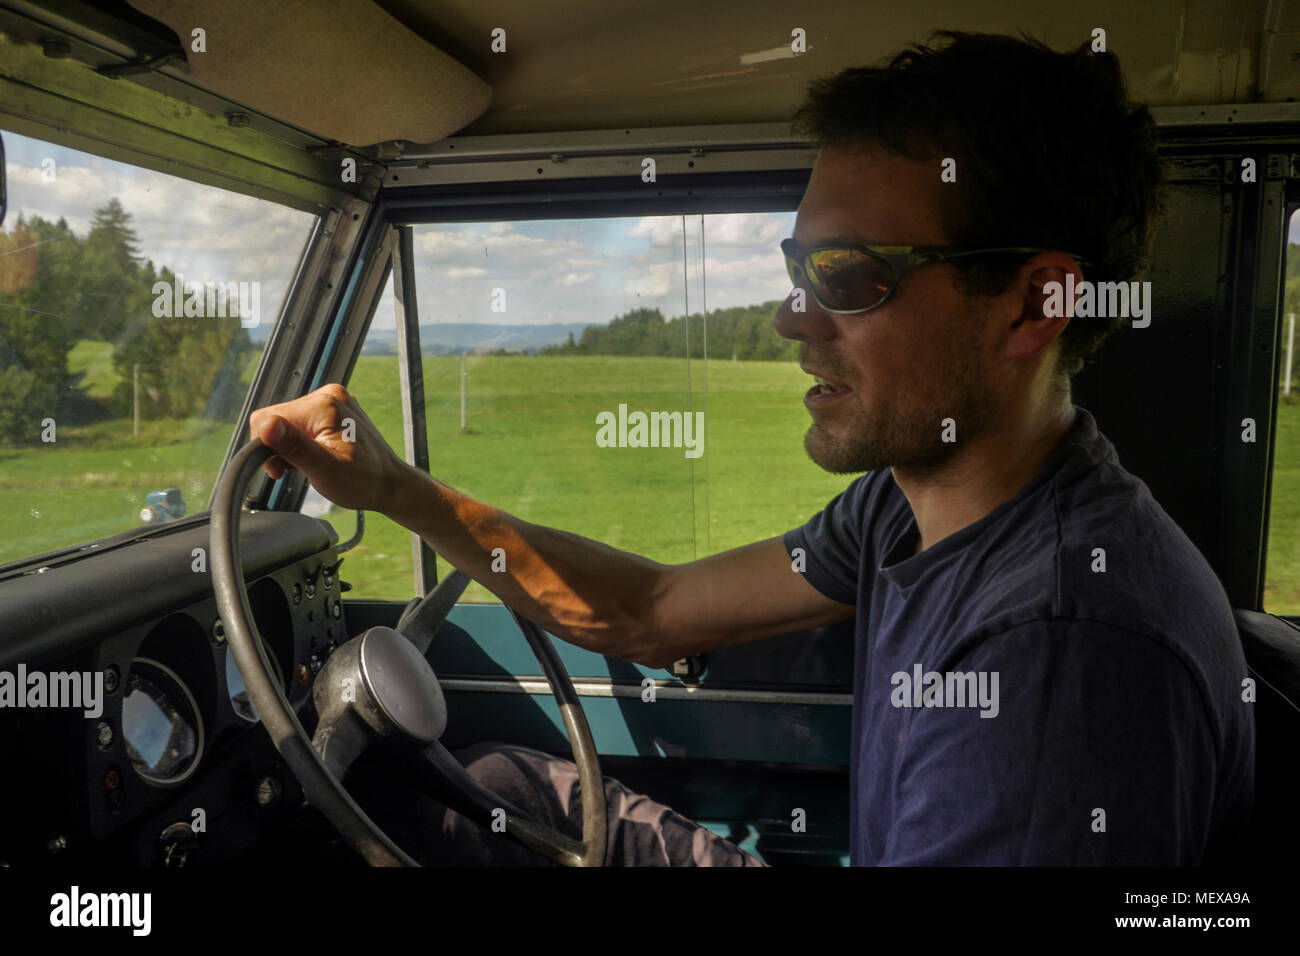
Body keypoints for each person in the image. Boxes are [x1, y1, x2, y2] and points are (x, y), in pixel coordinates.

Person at [249, 31, 1253, 866]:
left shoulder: (1056, 656)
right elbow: (647, 612)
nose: (790, 318)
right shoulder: (913, 503)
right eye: (797, 266)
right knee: (498, 794)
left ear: (1037, 304)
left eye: (850, 275)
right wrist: (391, 487)